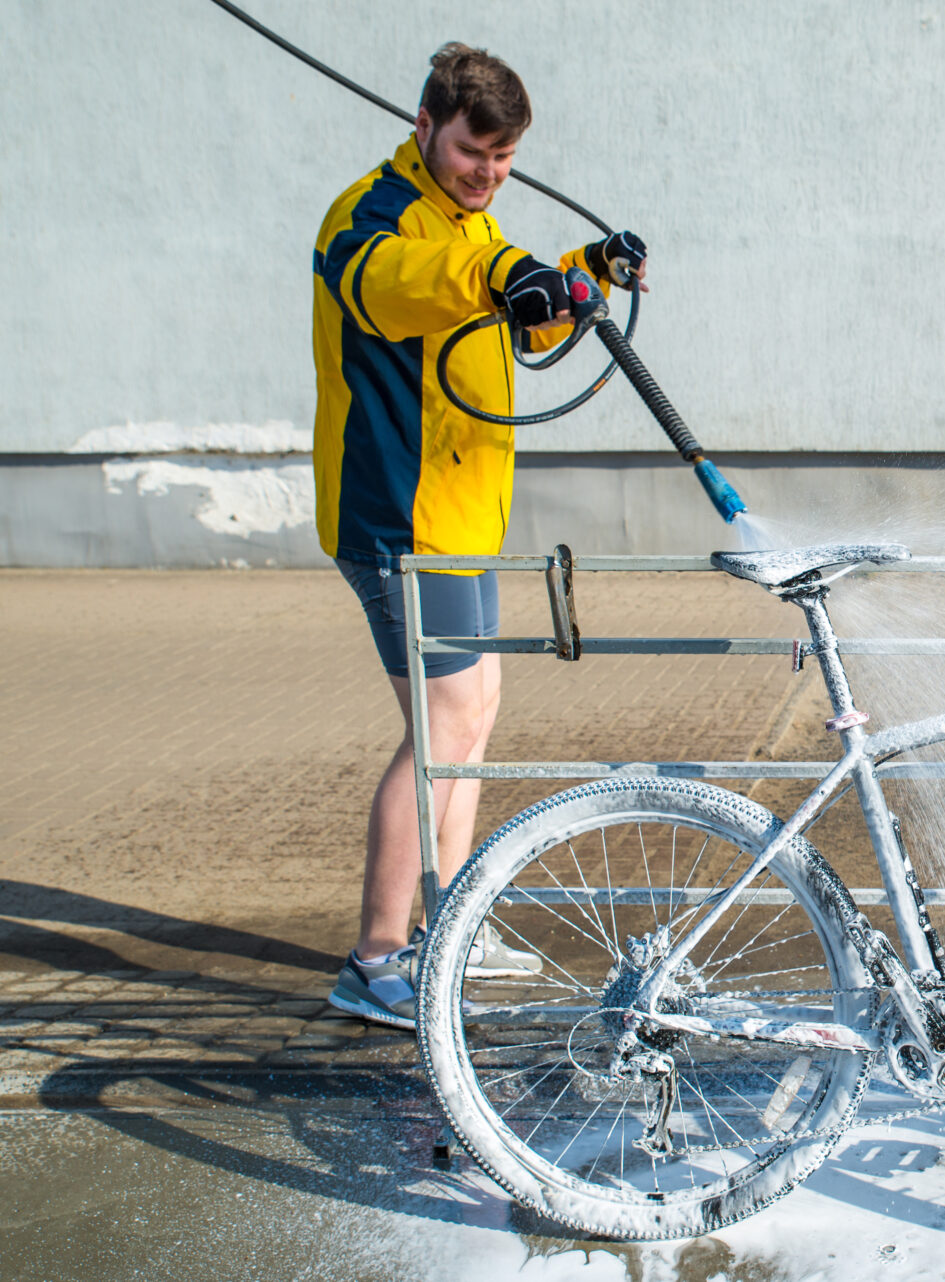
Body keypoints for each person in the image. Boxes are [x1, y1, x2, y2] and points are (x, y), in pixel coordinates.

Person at [313, 42, 650, 1027]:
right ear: (426, 126)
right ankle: (375, 961)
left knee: (469, 719)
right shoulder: (371, 219)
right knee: (441, 729)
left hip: (462, 518)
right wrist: (505, 268)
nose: (488, 174)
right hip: (395, 518)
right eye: (473, 152)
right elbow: (397, 286)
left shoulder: (470, 225)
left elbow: (519, 316)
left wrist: (586, 272)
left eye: (503, 159)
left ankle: (444, 929)